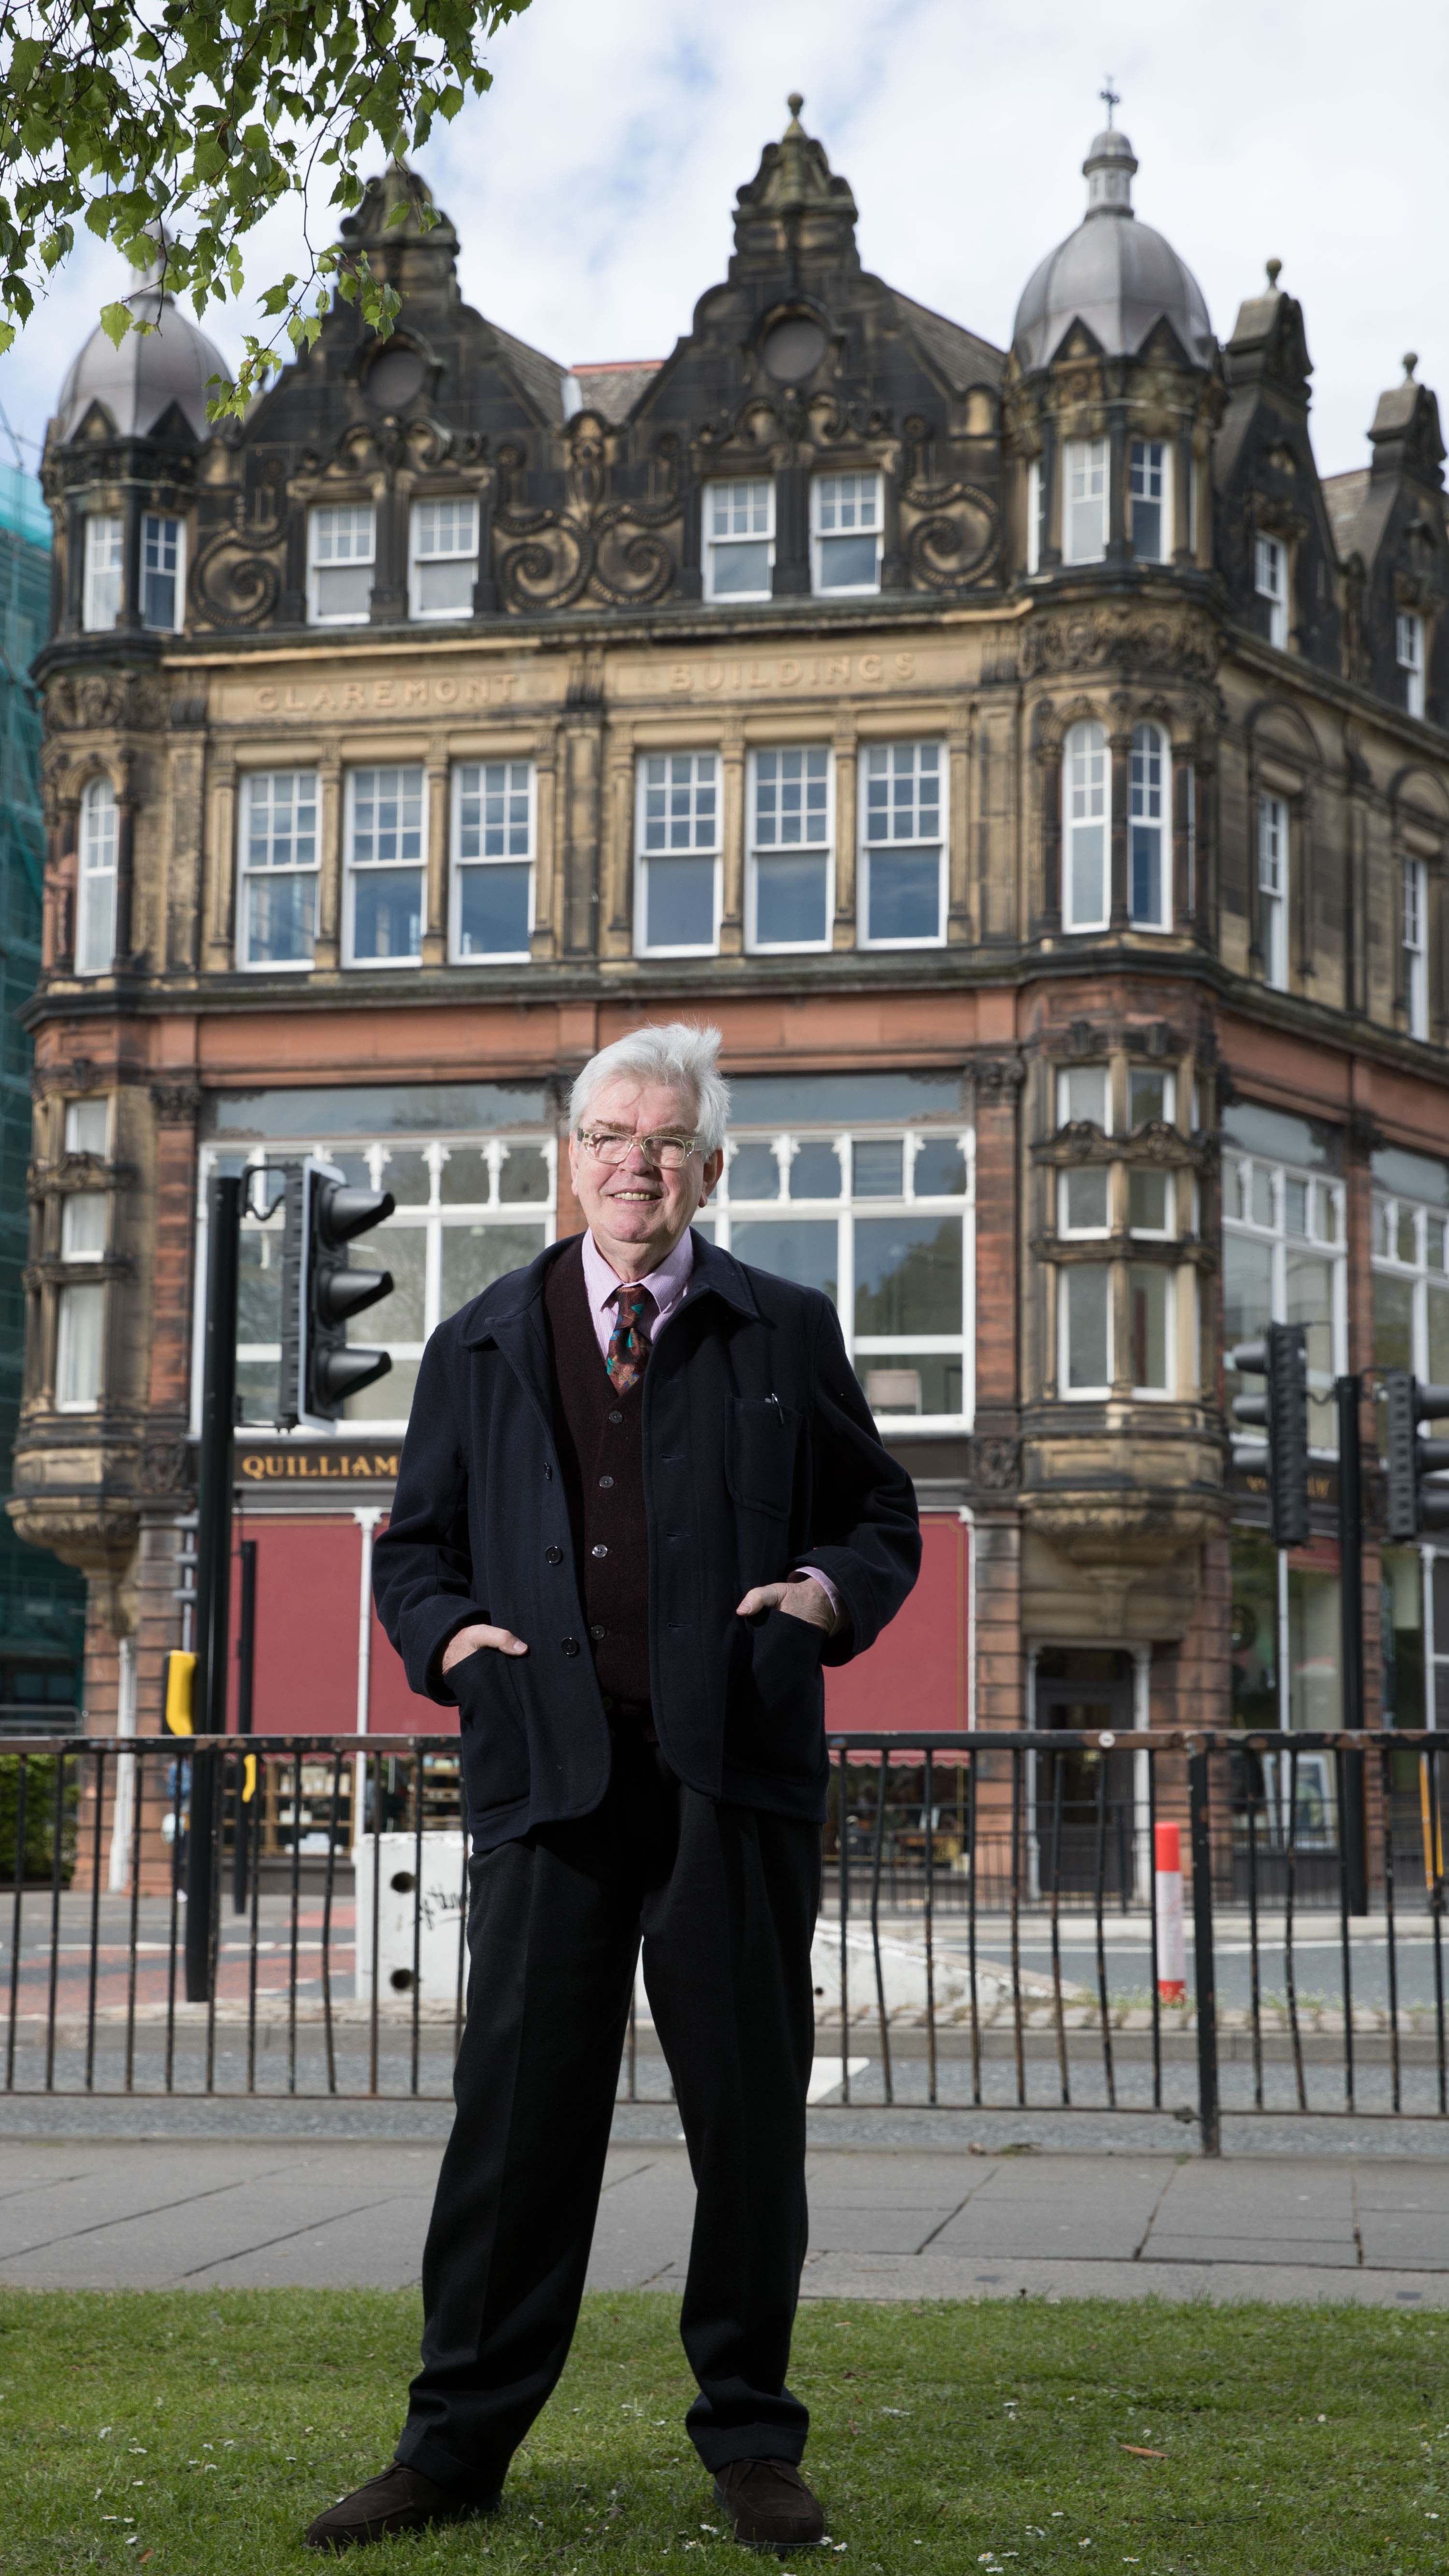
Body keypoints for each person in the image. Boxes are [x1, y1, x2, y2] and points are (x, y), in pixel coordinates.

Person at [306, 1021, 920, 2555]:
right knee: (513, 2129)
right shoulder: (483, 1337)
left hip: (734, 1780)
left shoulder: (785, 1326)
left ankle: (753, 2442)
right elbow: (416, 1549)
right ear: (567, 1156)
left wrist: (824, 1601)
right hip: (549, 1784)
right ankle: (453, 2445)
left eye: (664, 1140)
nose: (633, 1162)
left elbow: (879, 1515)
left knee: (746, 2124)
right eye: (608, 1135)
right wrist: (455, 1644)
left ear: (708, 1166)